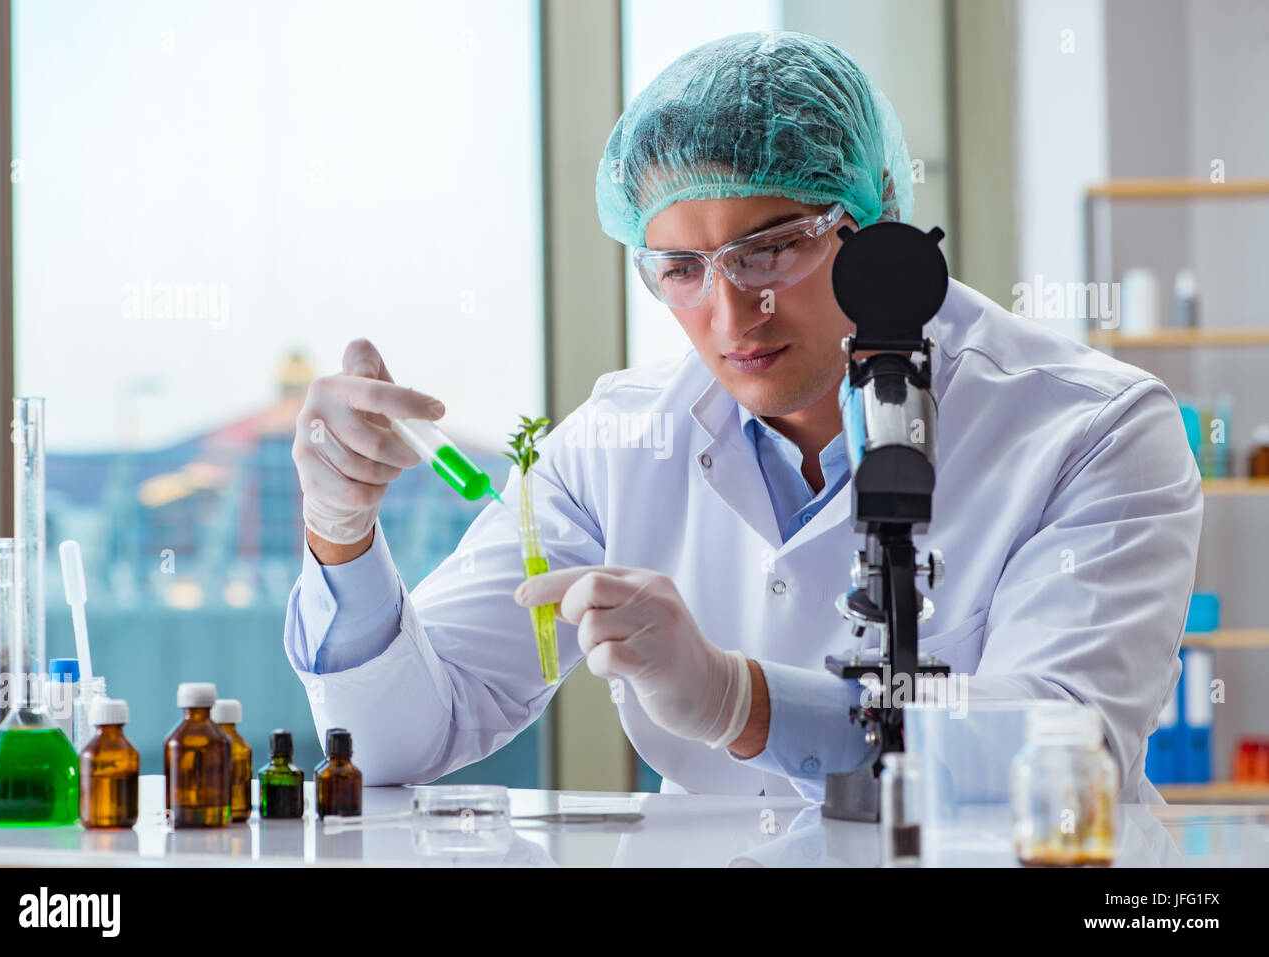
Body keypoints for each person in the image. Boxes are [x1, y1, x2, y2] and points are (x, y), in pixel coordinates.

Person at [283, 31, 1202, 802]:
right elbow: (396, 740)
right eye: (682, 269)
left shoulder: (1093, 429)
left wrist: (745, 701)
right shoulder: (613, 445)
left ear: (872, 227)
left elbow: (1065, 756)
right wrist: (342, 540)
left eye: (768, 252)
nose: (728, 319)